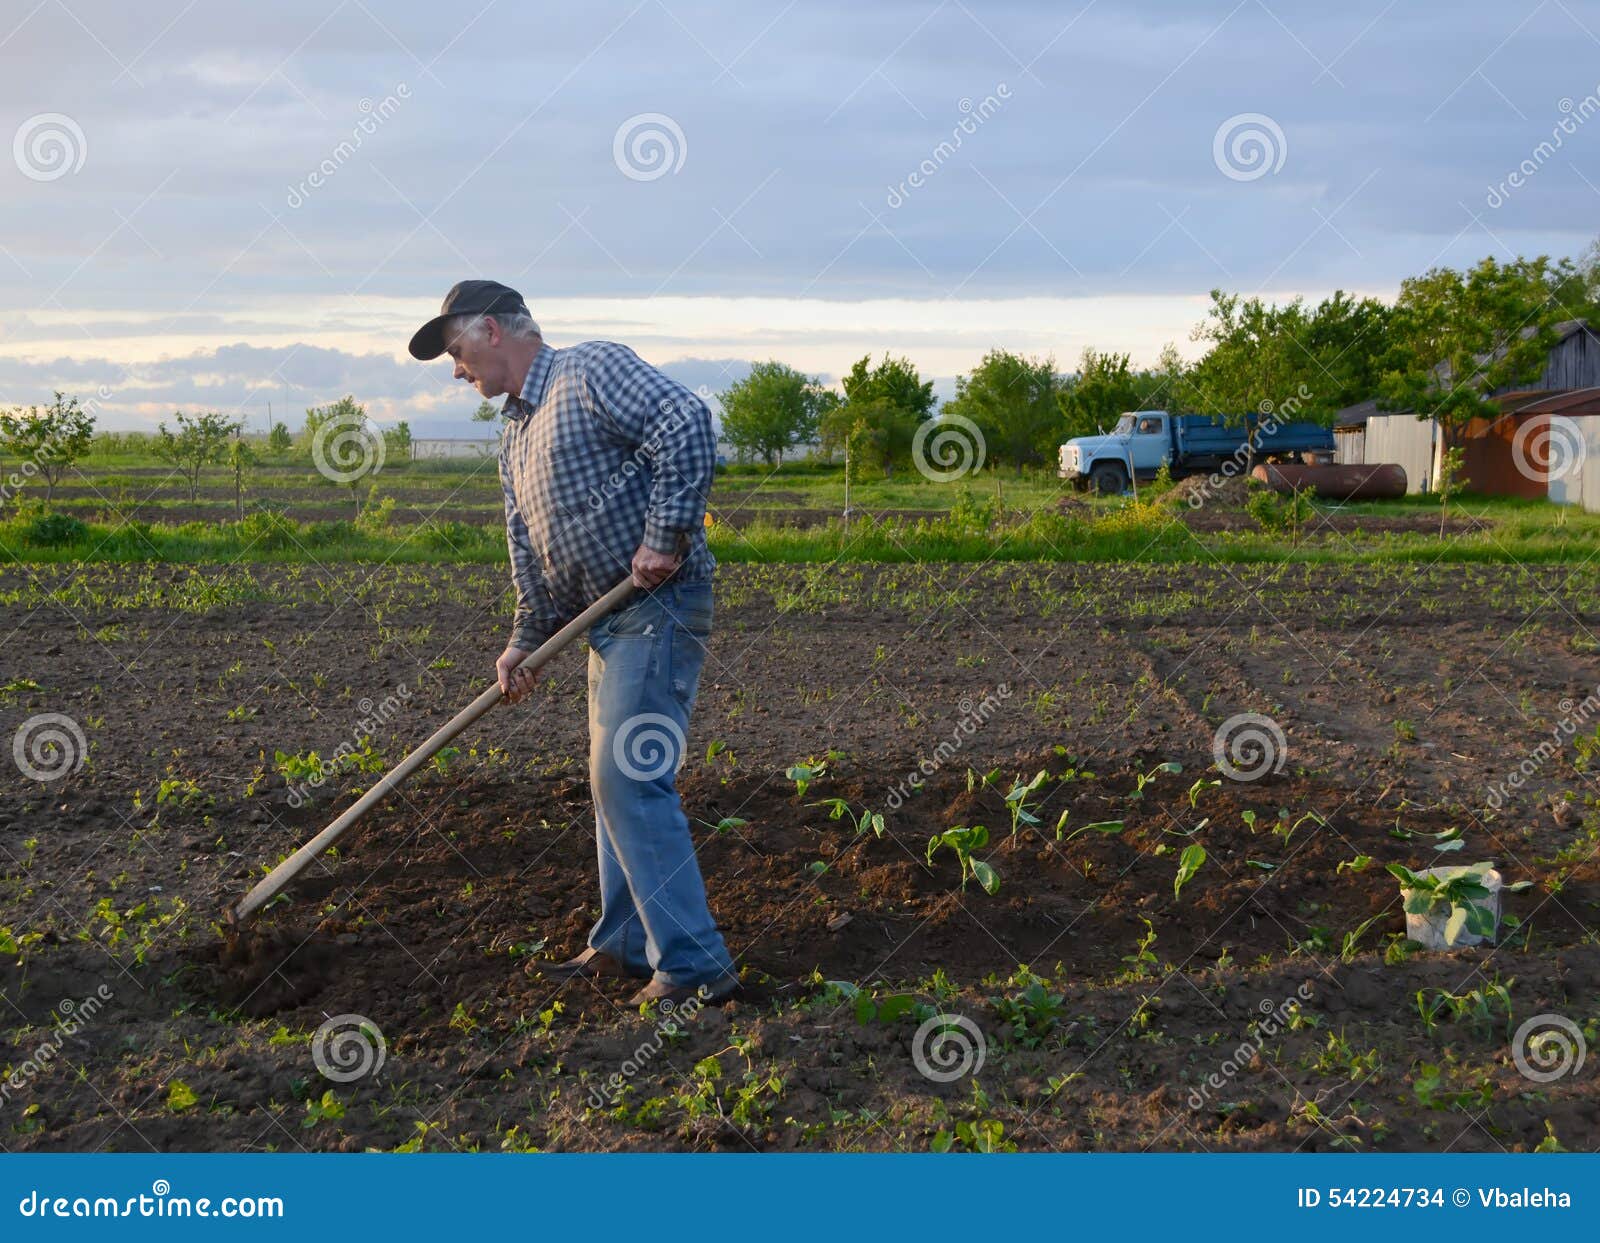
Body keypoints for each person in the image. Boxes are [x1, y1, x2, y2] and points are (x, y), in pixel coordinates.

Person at [409, 280, 737, 1005]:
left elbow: (685, 419)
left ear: (492, 330)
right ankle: (622, 940)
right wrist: (525, 640)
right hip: (600, 621)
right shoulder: (514, 438)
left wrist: (664, 534)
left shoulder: (588, 372)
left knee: (626, 776)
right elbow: (530, 554)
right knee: (608, 783)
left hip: (659, 605)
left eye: (457, 352)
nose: (456, 370)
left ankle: (695, 967)